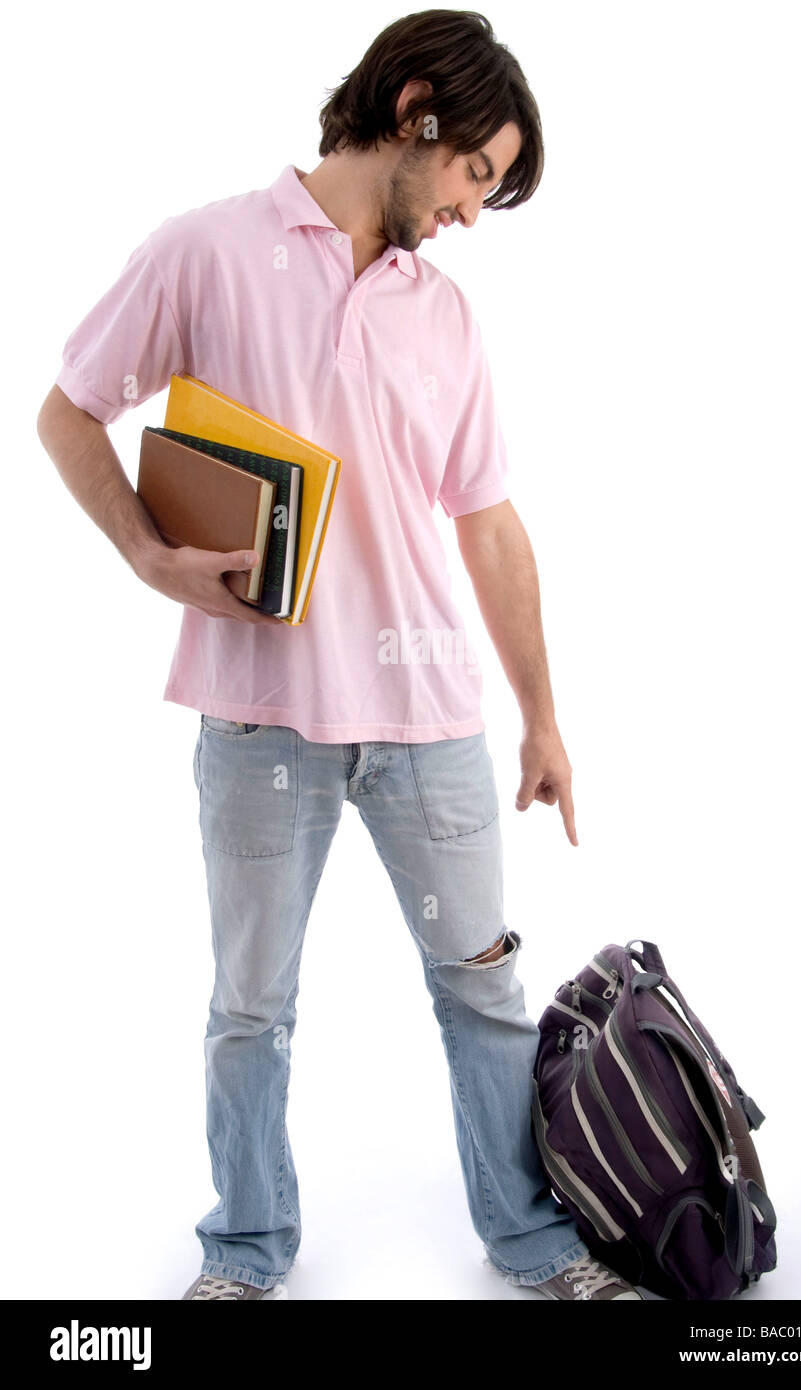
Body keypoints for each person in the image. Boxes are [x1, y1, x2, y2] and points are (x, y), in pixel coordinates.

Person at [36, 9, 642, 1302]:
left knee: (481, 993)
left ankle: (533, 1242)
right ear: (415, 107)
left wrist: (543, 718)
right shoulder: (206, 249)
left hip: (430, 723)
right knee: (250, 1007)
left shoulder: (447, 314)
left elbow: (487, 522)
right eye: (478, 172)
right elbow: (68, 405)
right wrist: (147, 555)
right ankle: (245, 1253)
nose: (477, 210)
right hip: (260, 726)